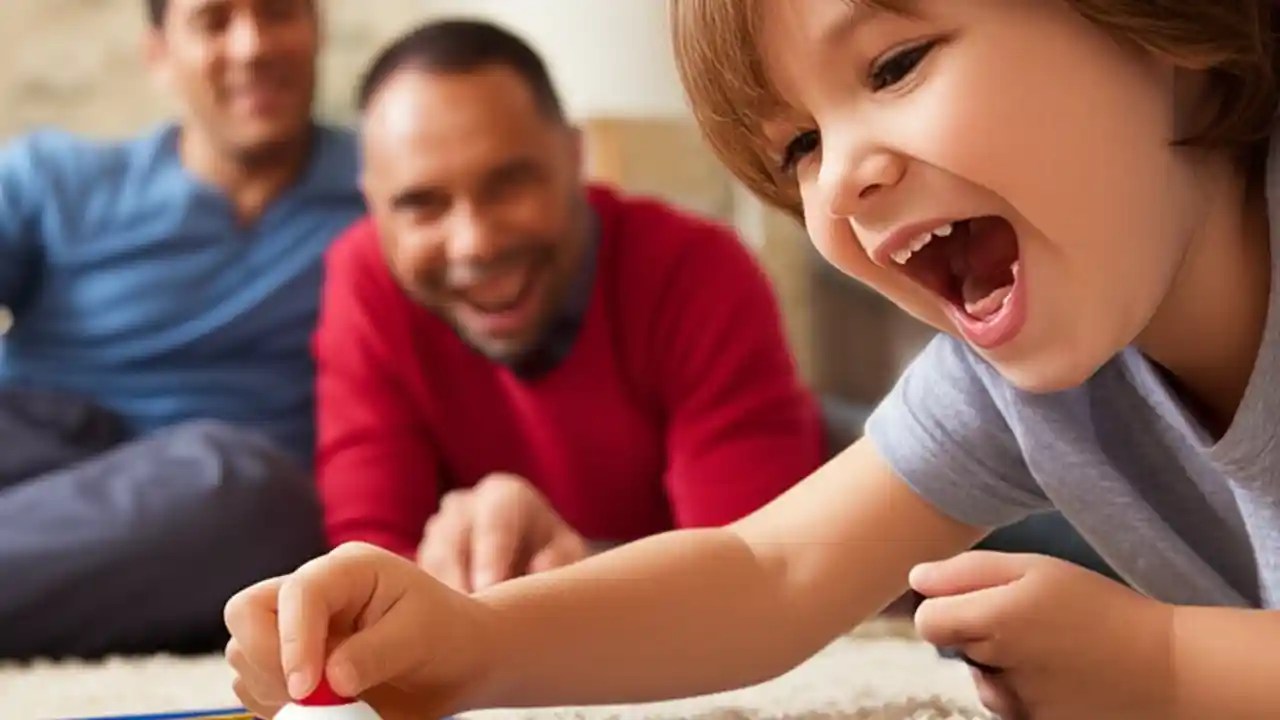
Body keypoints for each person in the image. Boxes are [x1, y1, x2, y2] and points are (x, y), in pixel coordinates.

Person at [219, 0, 1280, 717]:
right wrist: (471, 642)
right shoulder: (1003, 385)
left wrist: (1167, 665)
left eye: (893, 64)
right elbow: (765, 569)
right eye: (797, 147)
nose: (842, 178)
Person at [314, 20, 827, 593]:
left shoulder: (698, 270)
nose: (474, 242)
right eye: (421, 205)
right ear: (374, 207)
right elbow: (366, 562)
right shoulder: (363, 281)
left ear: (574, 156)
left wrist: (570, 572)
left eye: (509, 184)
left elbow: (758, 571)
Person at [0, 0, 363, 659]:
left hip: (193, 508)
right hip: (30, 441)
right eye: (214, 21)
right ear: (159, 54)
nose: (252, 45)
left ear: (317, 29)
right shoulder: (54, 179)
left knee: (251, 491)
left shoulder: (392, 188)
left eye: (278, 12)